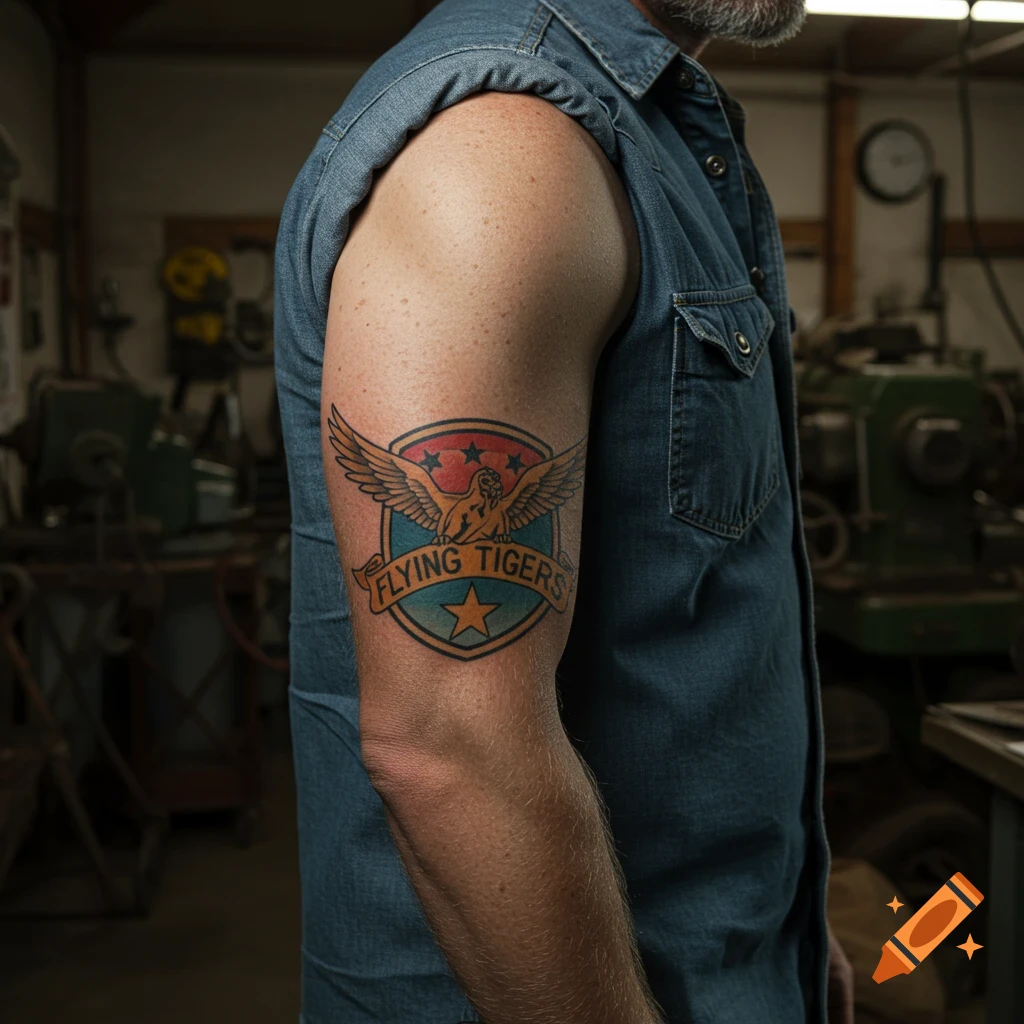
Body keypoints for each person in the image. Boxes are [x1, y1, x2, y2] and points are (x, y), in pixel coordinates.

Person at [274, 0, 854, 1021]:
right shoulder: (505, 153)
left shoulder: (657, 140)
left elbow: (688, 634)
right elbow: (449, 744)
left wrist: (789, 937)